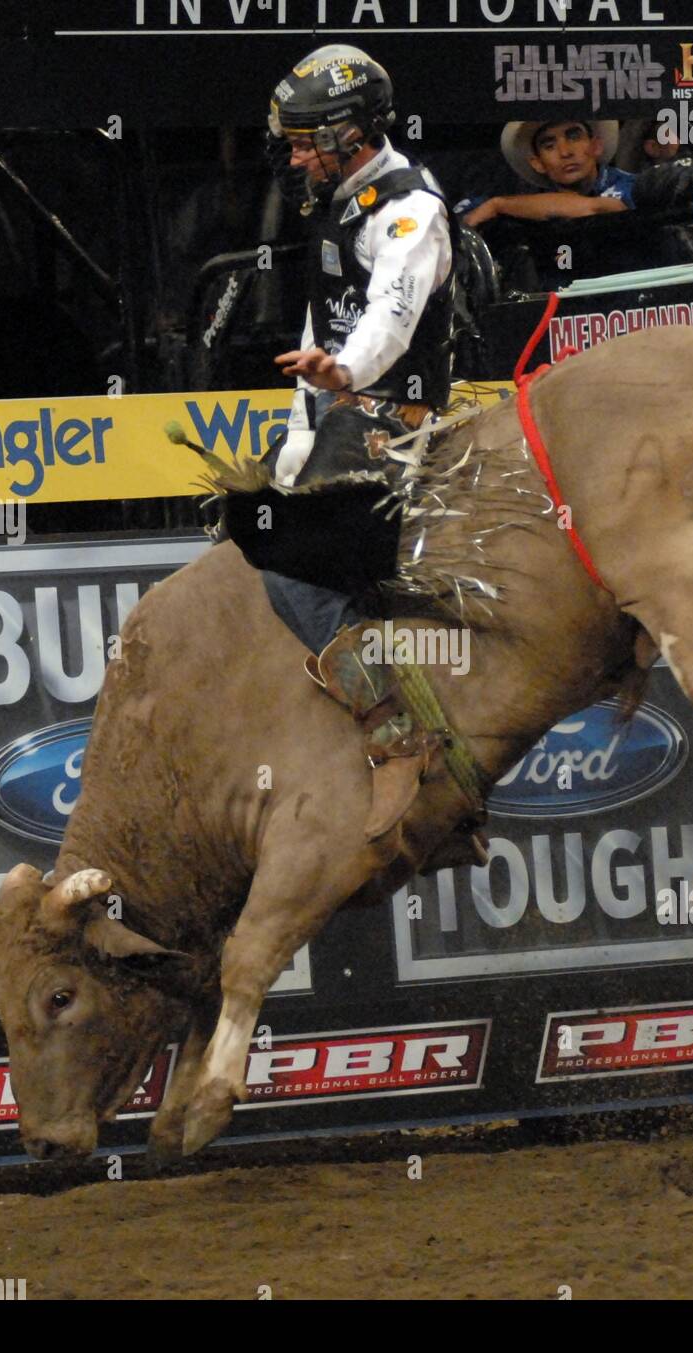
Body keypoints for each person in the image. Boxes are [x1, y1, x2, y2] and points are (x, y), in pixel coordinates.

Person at [261, 43, 467, 848]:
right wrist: (300, 429)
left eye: (308, 139)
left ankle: (399, 735)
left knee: (289, 561)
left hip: (394, 411)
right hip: (343, 409)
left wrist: (342, 370)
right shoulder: (335, 200)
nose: (296, 153)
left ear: (353, 133)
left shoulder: (408, 210)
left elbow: (392, 313)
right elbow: (329, 312)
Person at [460, 118, 693, 234]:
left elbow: (593, 207)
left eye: (573, 136)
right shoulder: (515, 200)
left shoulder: (630, 187)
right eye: (549, 144)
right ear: (538, 163)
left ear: (596, 146)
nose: (565, 151)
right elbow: (463, 220)